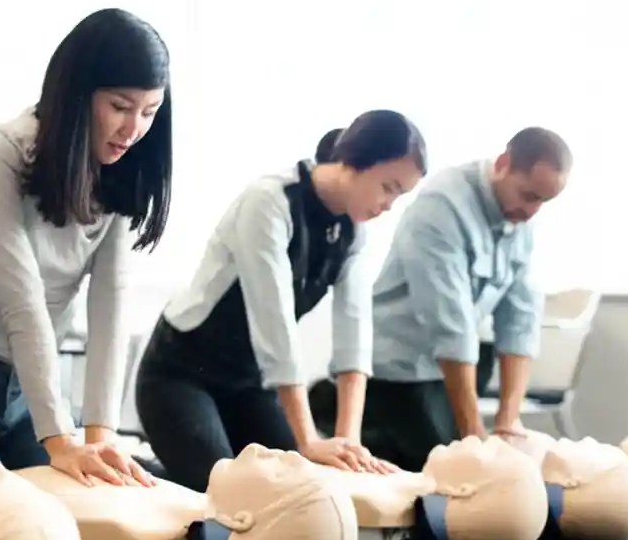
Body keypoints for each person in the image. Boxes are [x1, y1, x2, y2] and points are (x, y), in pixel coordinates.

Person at [0, 8, 172, 488]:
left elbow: (111, 306)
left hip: (25, 393)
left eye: (149, 112)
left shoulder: (121, 170)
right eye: (121, 107)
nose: (133, 130)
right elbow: (21, 300)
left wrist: (99, 434)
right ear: (79, 93)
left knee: (85, 502)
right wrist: (60, 441)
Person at [134, 111, 427, 492]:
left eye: (399, 195)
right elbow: (275, 327)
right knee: (228, 490)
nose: (389, 205)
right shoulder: (270, 201)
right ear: (356, 161)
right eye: (388, 187)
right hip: (180, 375)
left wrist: (347, 443)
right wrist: (307, 441)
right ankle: (148, 471)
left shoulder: (353, 232)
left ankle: (173, 467)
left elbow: (355, 336)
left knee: (297, 489)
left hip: (248, 384)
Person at [312, 127, 572, 472]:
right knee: (445, 470)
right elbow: (450, 325)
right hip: (396, 373)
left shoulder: (521, 217)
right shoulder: (442, 205)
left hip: (455, 365)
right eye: (528, 195)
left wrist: (509, 422)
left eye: (543, 201)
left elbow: (520, 321)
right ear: (504, 164)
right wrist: (473, 439)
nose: (532, 210)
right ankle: (328, 405)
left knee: (485, 461)